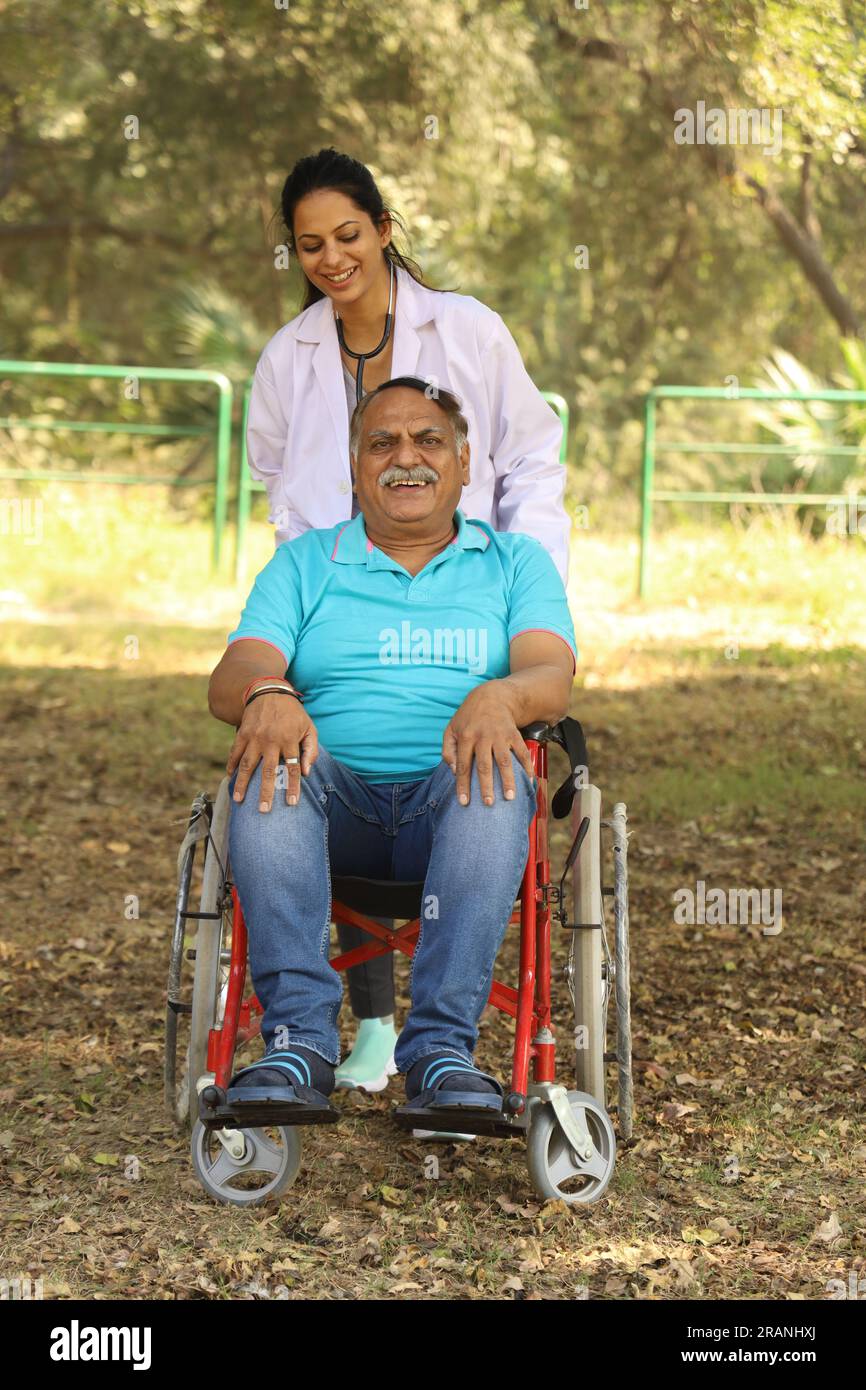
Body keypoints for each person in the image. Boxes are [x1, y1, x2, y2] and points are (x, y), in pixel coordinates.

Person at [245, 148, 571, 1092]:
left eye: (349, 235)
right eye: (310, 245)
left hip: (474, 584)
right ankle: (360, 1025)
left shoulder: (466, 329)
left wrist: (511, 607)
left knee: (457, 756)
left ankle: (431, 1043)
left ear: (384, 229)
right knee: (325, 750)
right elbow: (282, 484)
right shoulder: (290, 354)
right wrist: (321, 604)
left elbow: (528, 458)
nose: (332, 257)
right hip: (334, 587)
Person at [208, 379, 575, 1128]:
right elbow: (233, 673)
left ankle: (440, 1052)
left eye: (428, 441)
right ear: (354, 467)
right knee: (268, 759)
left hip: (460, 806)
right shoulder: (307, 564)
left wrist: (503, 695)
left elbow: (551, 674)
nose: (406, 458)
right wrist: (268, 692)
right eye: (382, 444)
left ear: (465, 463)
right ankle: (298, 1043)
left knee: (497, 768)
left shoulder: (515, 563)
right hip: (328, 804)